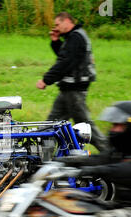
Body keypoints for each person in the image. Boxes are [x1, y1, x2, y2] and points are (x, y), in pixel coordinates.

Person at [36, 12, 107, 152]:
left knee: (85, 126)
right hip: (67, 90)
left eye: (58, 24)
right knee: (51, 125)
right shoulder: (73, 37)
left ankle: (110, 153)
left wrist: (46, 80)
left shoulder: (76, 37)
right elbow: (65, 55)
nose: (56, 27)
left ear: (67, 21)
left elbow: (65, 63)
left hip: (75, 90)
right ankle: (41, 157)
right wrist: (56, 42)